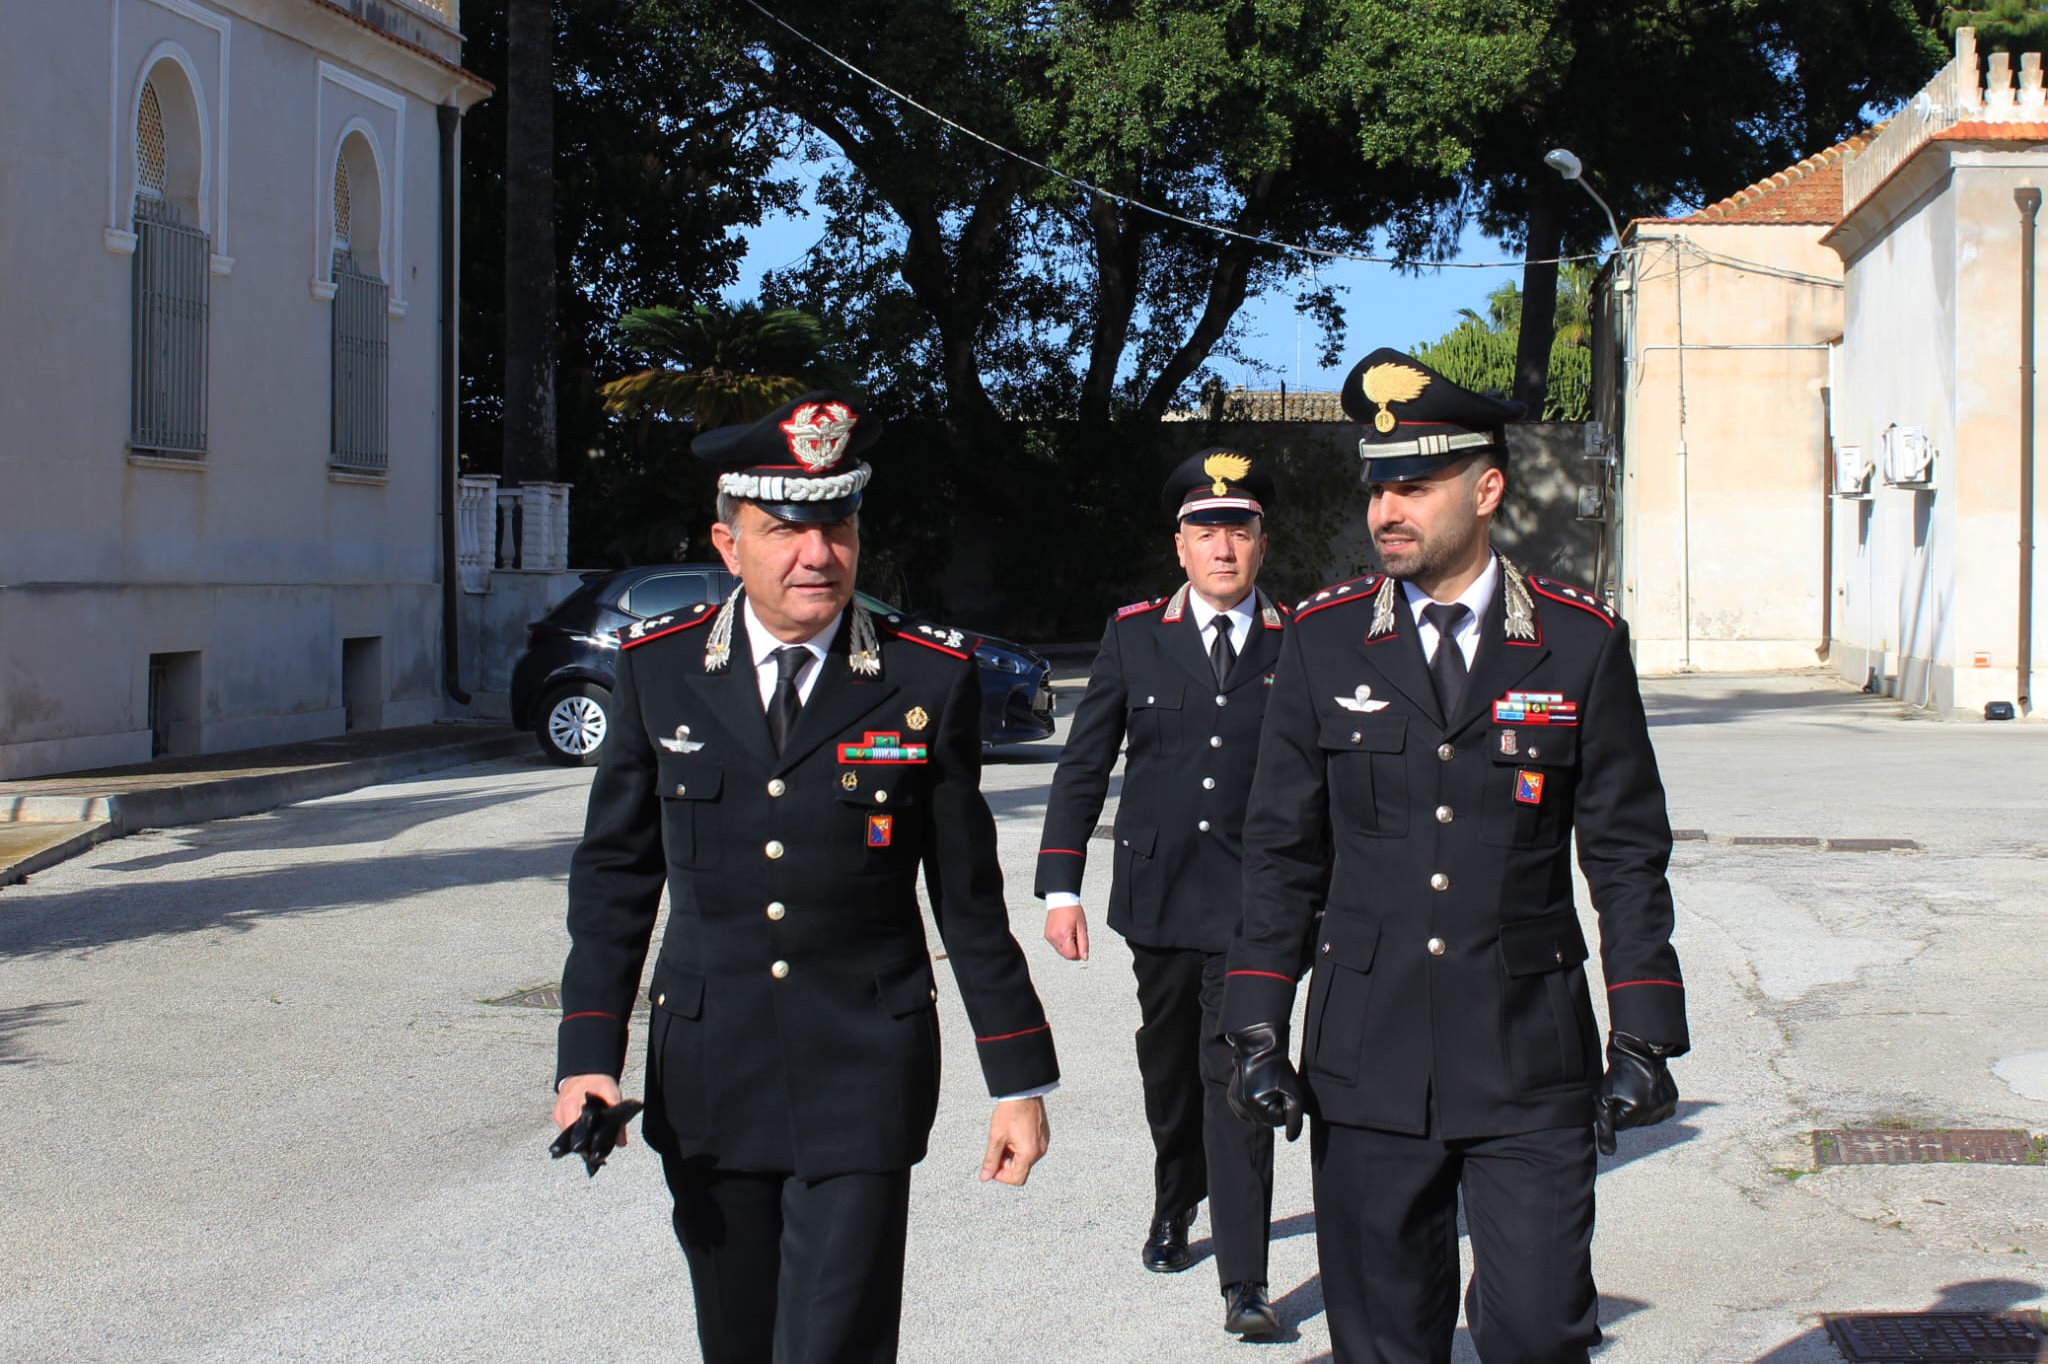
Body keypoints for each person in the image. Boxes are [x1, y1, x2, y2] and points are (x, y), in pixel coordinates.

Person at [551, 392, 1060, 1364]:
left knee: (834, 1346)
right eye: (784, 530)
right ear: (727, 542)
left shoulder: (923, 681)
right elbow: (616, 876)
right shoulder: (659, 673)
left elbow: (967, 898)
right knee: (737, 1343)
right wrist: (586, 1056)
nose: (814, 553)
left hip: (863, 1073)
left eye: (834, 525)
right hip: (710, 1080)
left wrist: (1017, 1077)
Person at [1220, 350, 1689, 1363]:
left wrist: (1643, 1033)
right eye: (1378, 484)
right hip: (1364, 1061)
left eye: (1414, 484)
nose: (1387, 508)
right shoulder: (1324, 640)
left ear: (1484, 490)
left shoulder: (1576, 644)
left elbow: (1621, 850)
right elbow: (1280, 848)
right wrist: (1255, 1022)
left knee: (1535, 1331)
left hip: (1527, 1058)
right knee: (1383, 1340)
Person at [1034, 449, 1288, 1339]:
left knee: (1241, 1070)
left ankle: (1246, 1279)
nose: (1223, 546)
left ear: (1262, 542)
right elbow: (1085, 762)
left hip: (1258, 907)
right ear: (1178, 544)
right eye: (1205, 529)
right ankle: (1176, 1196)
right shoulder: (1134, 633)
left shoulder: (1297, 641)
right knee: (1171, 1070)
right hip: (1163, 896)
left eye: (1239, 528)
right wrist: (1060, 883)